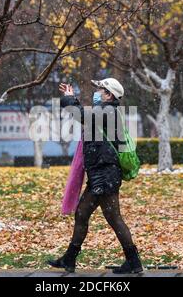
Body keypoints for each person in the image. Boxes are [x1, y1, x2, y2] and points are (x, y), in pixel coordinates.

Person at [47, 78, 143, 274]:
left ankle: (132, 262)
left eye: (100, 89)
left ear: (109, 95)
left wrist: (69, 99)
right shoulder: (107, 112)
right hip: (103, 174)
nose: (96, 92)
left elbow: (80, 115)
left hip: (104, 176)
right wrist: (72, 98)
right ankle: (71, 259)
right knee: (93, 215)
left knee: (100, 216)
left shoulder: (108, 111)